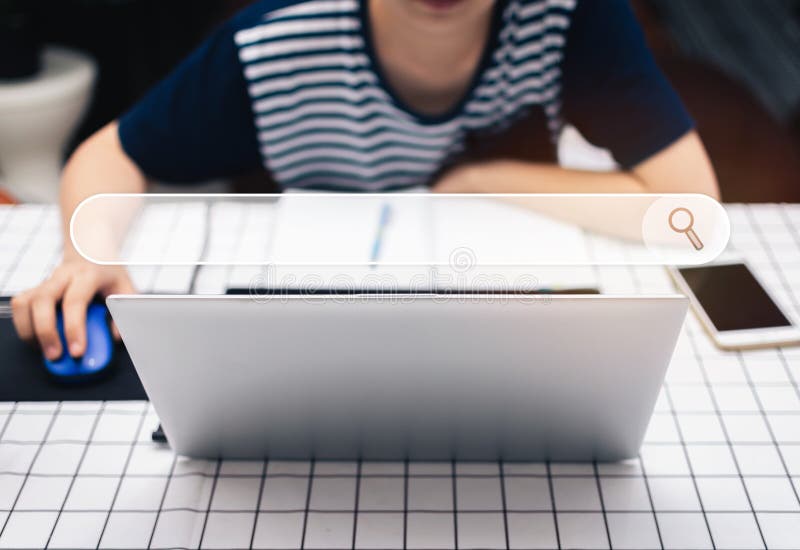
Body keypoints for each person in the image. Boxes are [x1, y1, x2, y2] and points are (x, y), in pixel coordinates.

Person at [12, 0, 719, 360]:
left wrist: (484, 179)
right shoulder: (276, 41)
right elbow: (110, 152)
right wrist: (91, 254)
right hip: (321, 327)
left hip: (508, 324)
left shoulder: (570, 17)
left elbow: (691, 206)